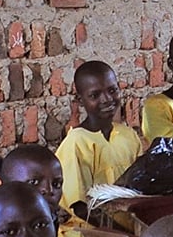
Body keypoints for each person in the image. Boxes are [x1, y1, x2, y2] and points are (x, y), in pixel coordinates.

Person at [55, 59, 142, 218]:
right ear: (81, 100)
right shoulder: (76, 142)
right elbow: (80, 208)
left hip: (132, 228)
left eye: (112, 90)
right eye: (95, 95)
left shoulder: (129, 136)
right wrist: (122, 234)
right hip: (96, 235)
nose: (106, 99)